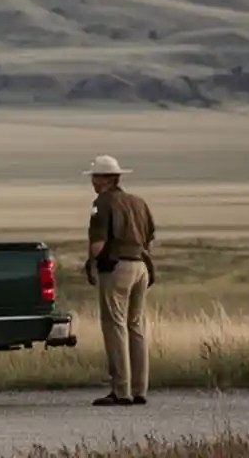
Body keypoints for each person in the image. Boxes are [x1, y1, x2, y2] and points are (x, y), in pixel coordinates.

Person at [81, 155, 155, 407]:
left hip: (116, 268)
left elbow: (98, 244)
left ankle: (121, 390)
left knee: (115, 327)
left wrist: (91, 264)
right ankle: (139, 389)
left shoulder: (101, 203)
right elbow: (149, 239)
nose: (92, 181)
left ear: (105, 179)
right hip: (140, 267)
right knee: (136, 326)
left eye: (95, 176)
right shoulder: (138, 202)